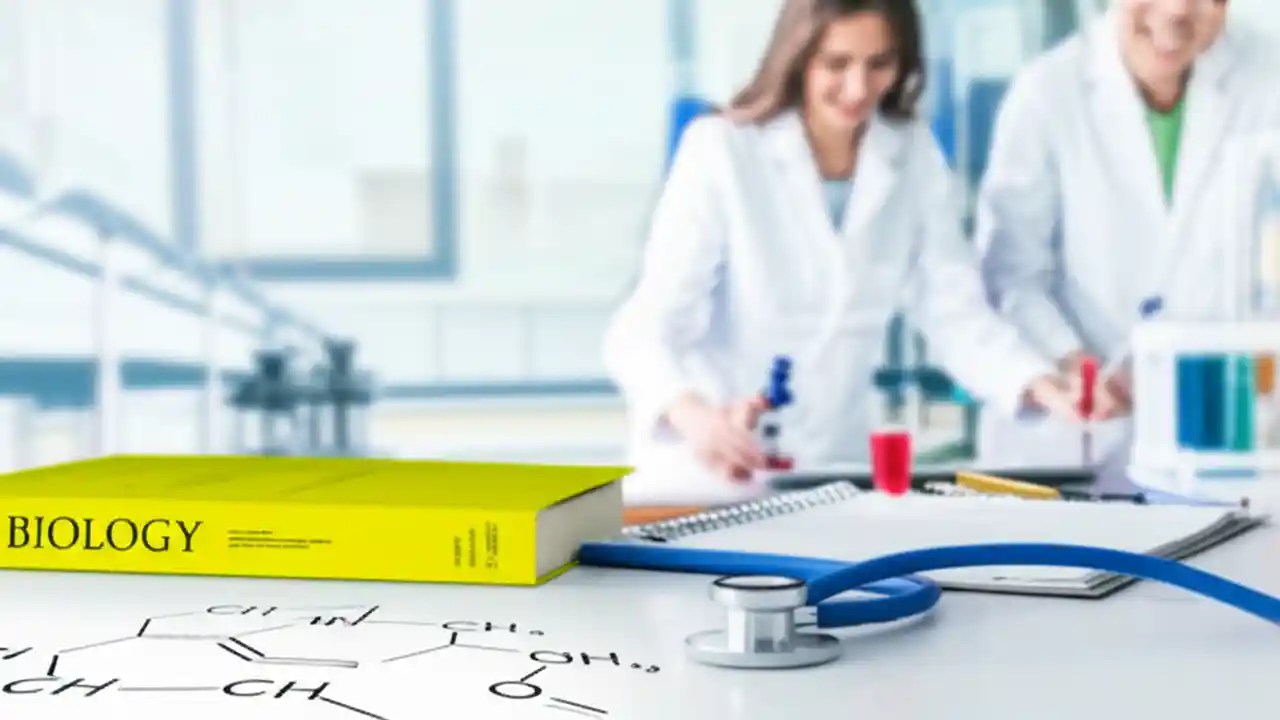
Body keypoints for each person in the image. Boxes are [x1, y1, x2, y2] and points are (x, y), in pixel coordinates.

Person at [602, 0, 1083, 498]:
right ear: (798, 56)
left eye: (879, 64)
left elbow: (956, 313)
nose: (859, 89)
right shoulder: (722, 150)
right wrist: (696, 417)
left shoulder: (911, 155)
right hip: (708, 477)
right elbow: (641, 332)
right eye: (837, 64)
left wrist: (1035, 382)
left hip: (829, 471)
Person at [973, 0, 1280, 465]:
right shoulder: (1047, 93)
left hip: (1225, 433)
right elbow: (1010, 277)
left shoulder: (1266, 75)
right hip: (1072, 441)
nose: (1176, 9)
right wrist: (1077, 366)